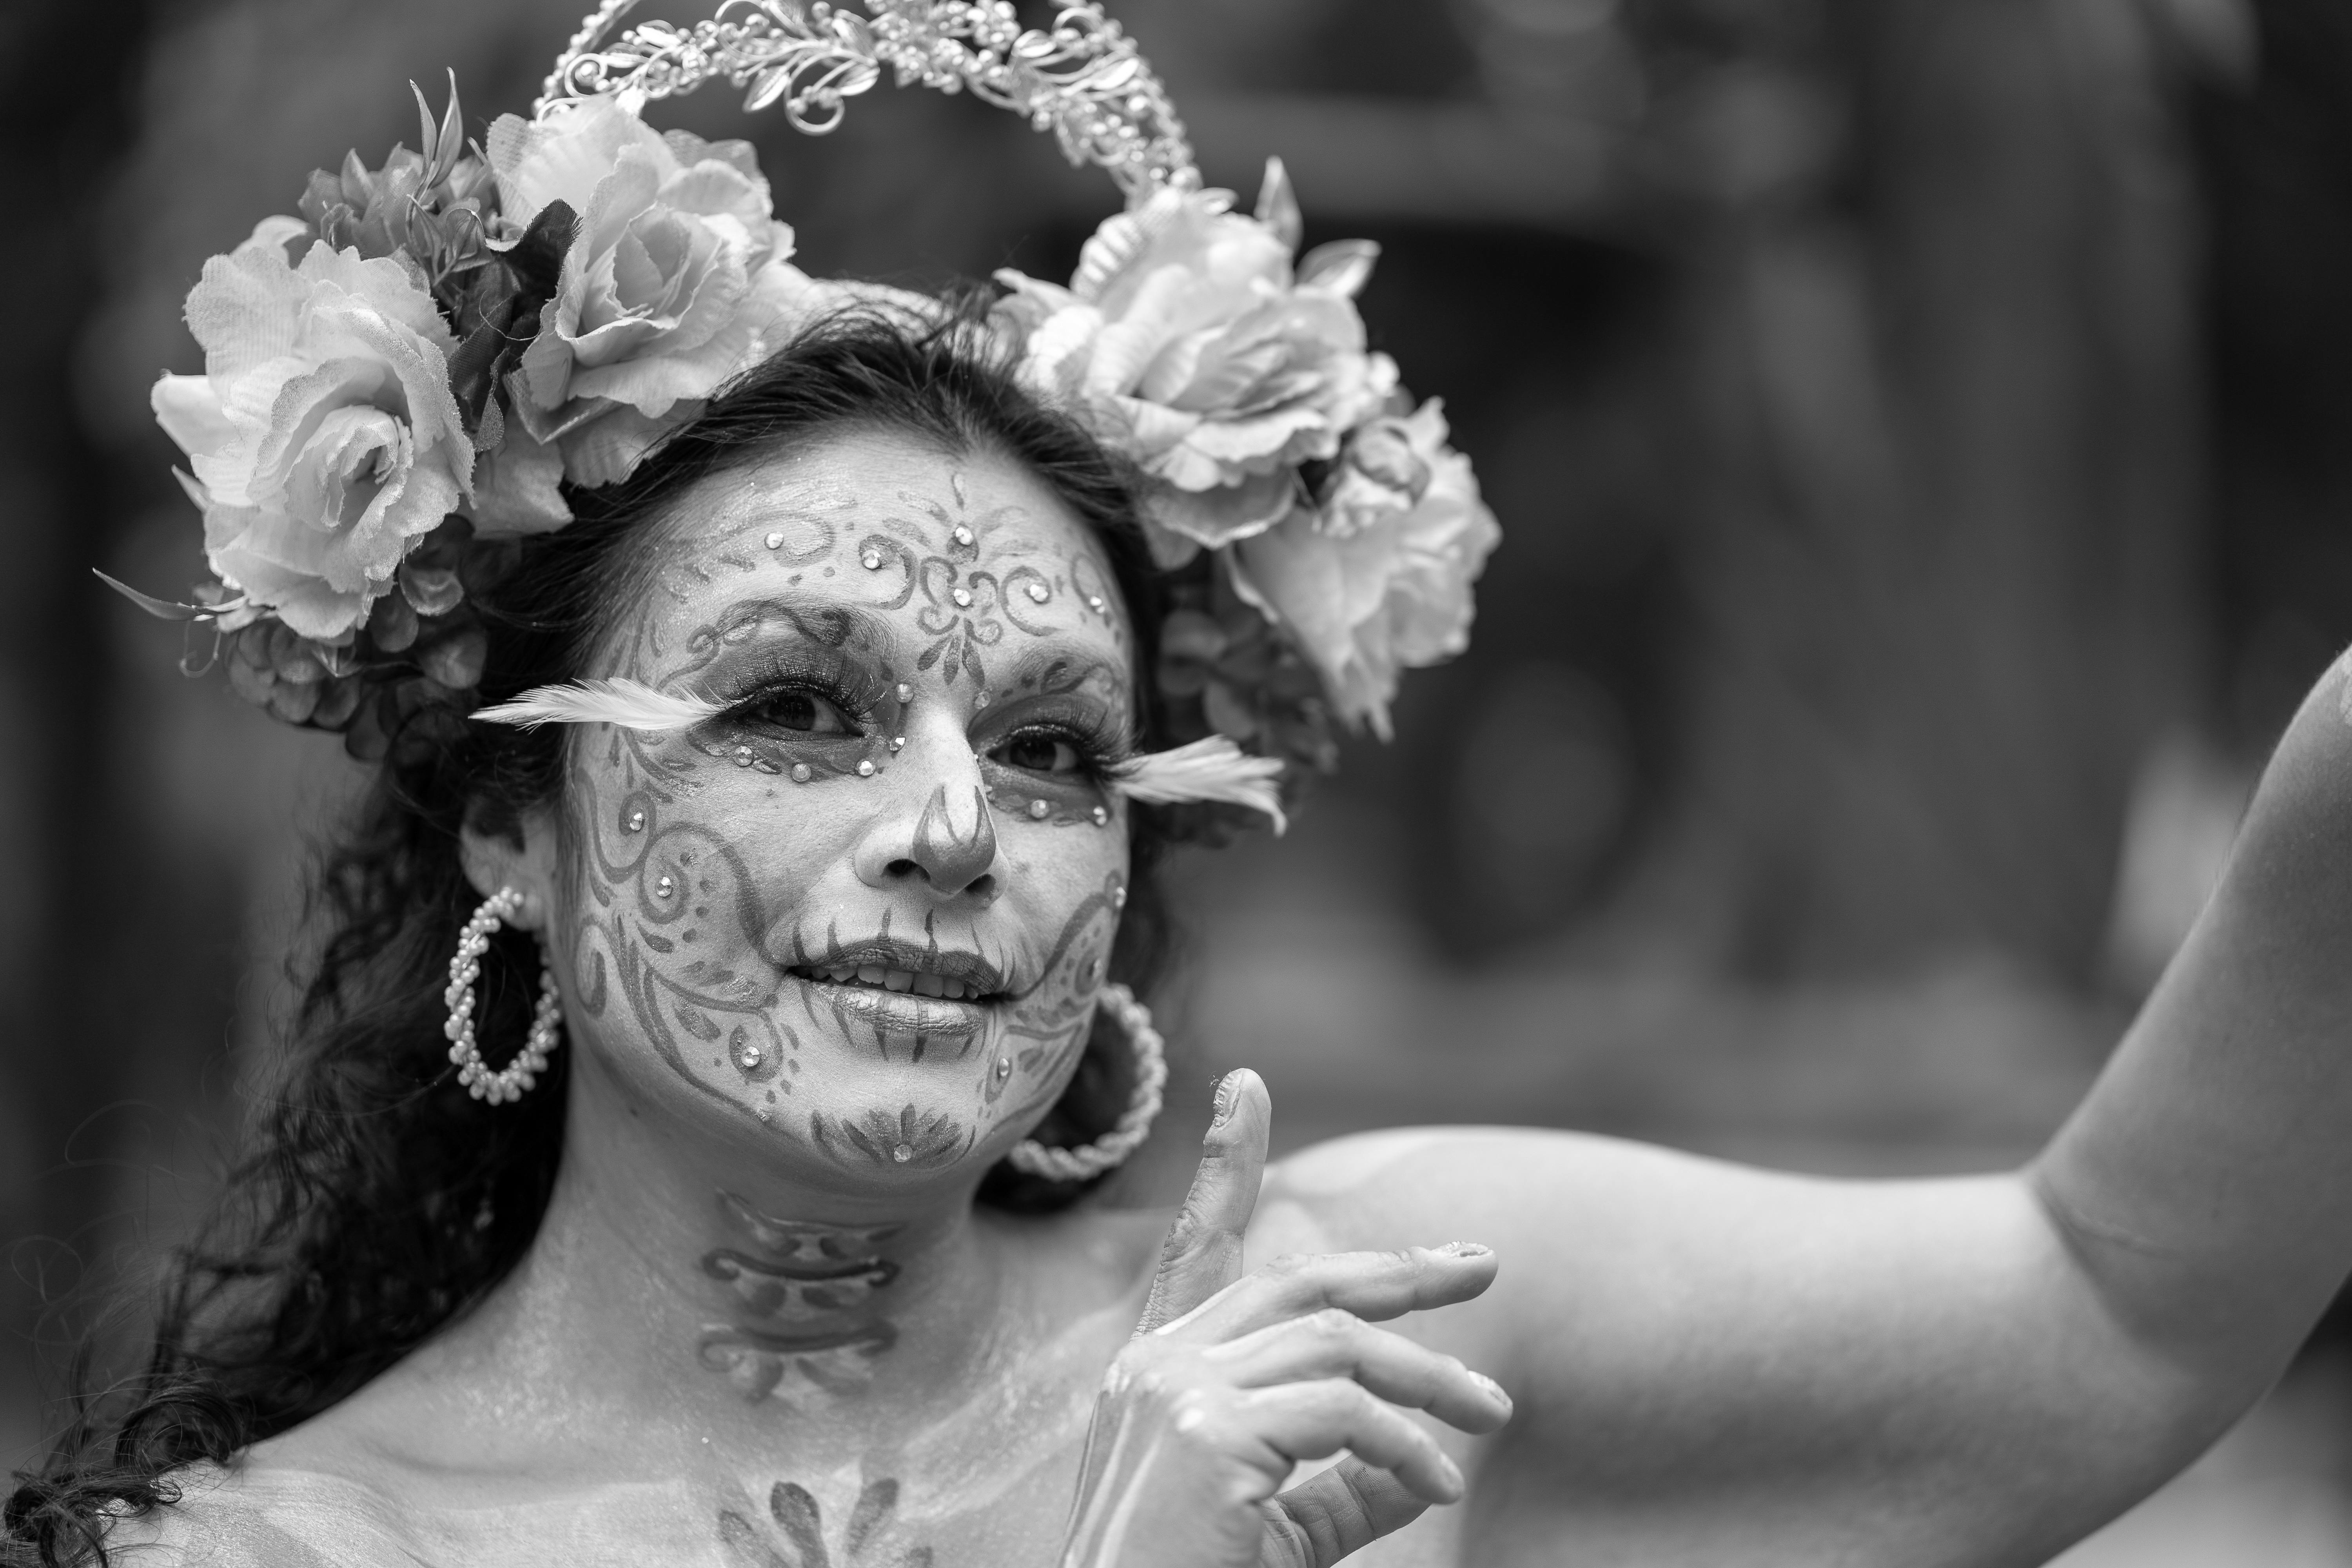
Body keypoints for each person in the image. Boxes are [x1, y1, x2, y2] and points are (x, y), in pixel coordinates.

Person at [11, 6, 2352, 1568]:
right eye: (800, 711)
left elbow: (2123, 1295)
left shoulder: (1382, 1341)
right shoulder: (259, 1555)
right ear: (506, 824)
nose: (956, 828)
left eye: (1052, 749)